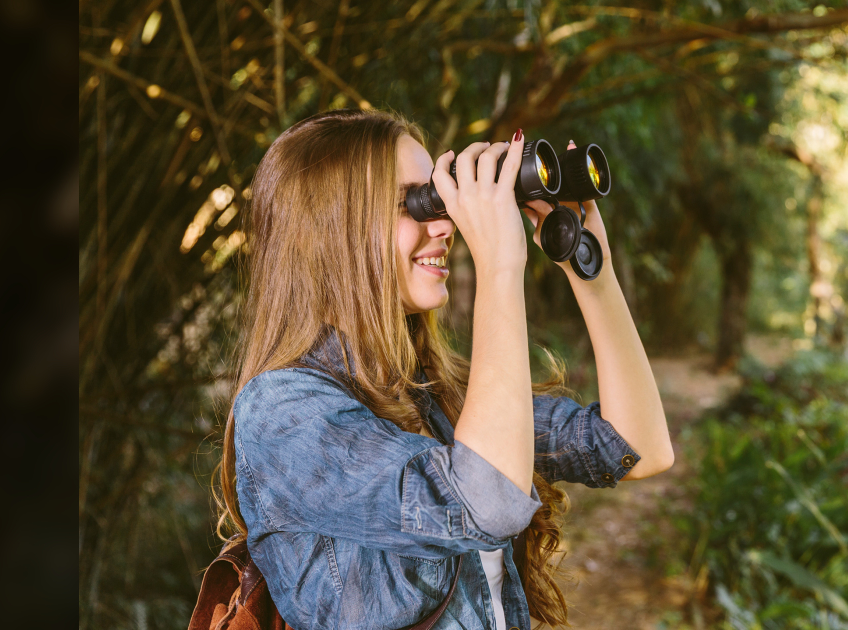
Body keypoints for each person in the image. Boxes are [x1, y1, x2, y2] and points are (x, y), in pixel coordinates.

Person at [215, 108, 673, 630]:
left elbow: (637, 446)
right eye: (413, 204)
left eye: (439, 198)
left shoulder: (432, 396)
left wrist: (590, 267)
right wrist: (500, 263)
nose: (444, 224)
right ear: (329, 231)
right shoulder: (282, 413)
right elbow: (488, 498)